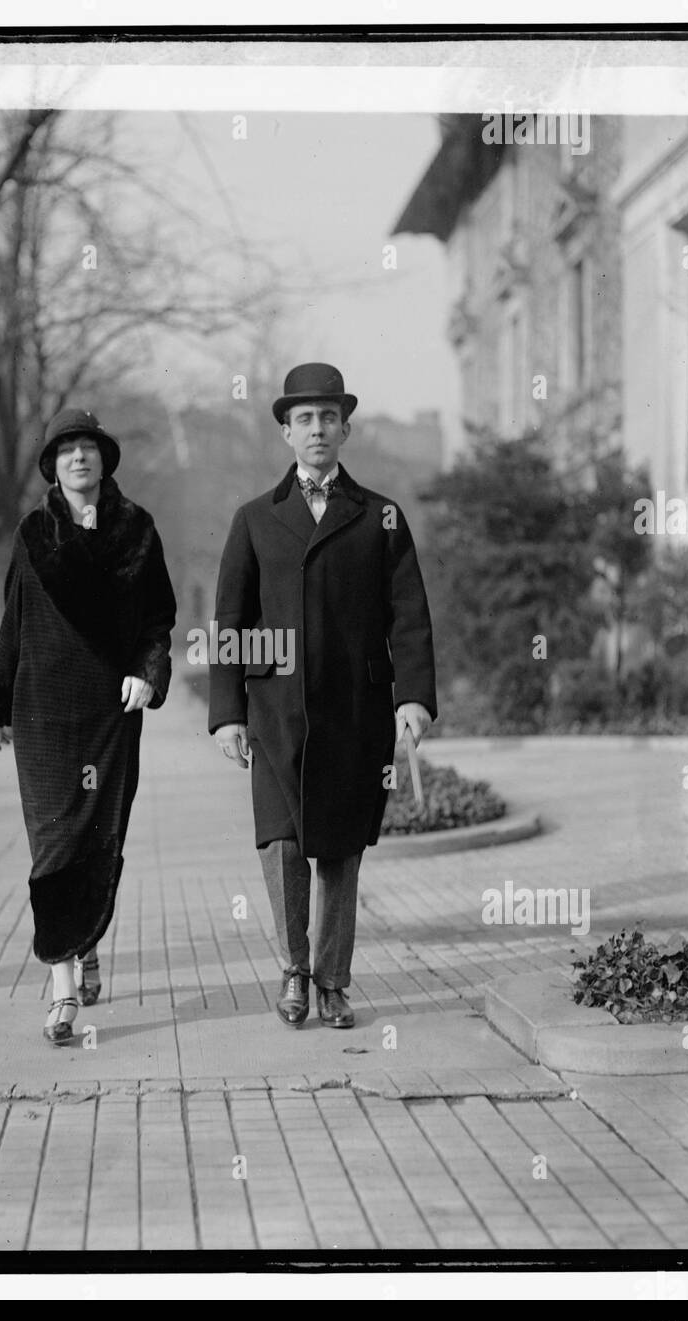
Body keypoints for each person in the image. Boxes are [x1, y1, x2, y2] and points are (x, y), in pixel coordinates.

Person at [208, 363, 437, 1029]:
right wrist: (227, 714)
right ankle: (294, 971)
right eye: (304, 419)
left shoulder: (381, 517)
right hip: (275, 713)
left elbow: (411, 614)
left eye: (328, 418)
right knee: (280, 844)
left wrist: (413, 697)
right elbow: (232, 624)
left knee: (338, 851)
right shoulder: (254, 519)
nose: (317, 429)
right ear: (286, 432)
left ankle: (334, 982)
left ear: (345, 429)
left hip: (354, 713)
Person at [0, 407, 176, 1045]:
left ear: (103, 460)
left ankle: (83, 938)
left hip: (109, 711)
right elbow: (14, 619)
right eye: (66, 450)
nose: (79, 458)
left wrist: (148, 671)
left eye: (88, 447)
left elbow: (157, 620)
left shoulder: (137, 530)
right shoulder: (33, 532)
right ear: (52, 465)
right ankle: (63, 987)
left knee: (97, 836)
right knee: (51, 844)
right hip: (42, 712)